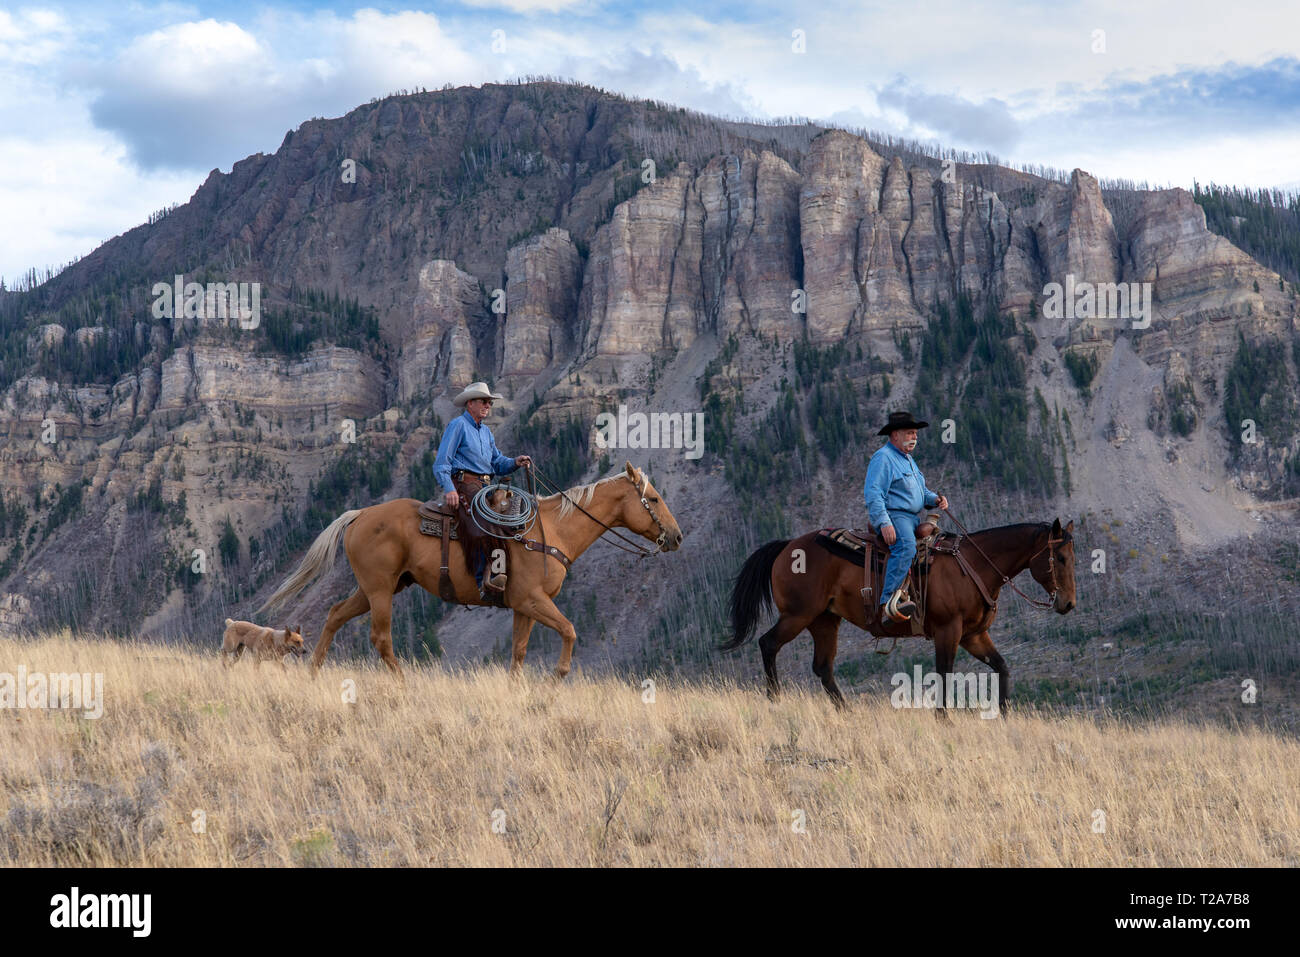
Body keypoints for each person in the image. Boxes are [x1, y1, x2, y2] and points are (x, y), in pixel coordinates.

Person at [432, 382, 532, 597]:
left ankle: (508, 571)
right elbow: (442, 461)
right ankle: (483, 580)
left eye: (489, 402)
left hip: (486, 486)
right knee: (482, 523)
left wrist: (515, 461)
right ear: (470, 403)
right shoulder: (458, 425)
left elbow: (497, 463)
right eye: (484, 401)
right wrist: (449, 488)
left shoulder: (486, 432)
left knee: (514, 516)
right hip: (464, 483)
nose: (488, 405)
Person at [863, 411, 949, 623]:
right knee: (906, 547)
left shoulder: (908, 459)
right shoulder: (883, 458)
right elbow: (873, 493)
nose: (915, 437)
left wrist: (935, 500)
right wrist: (884, 523)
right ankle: (888, 605)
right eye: (910, 433)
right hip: (896, 516)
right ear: (894, 435)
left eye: (915, 434)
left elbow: (921, 492)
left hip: (912, 517)